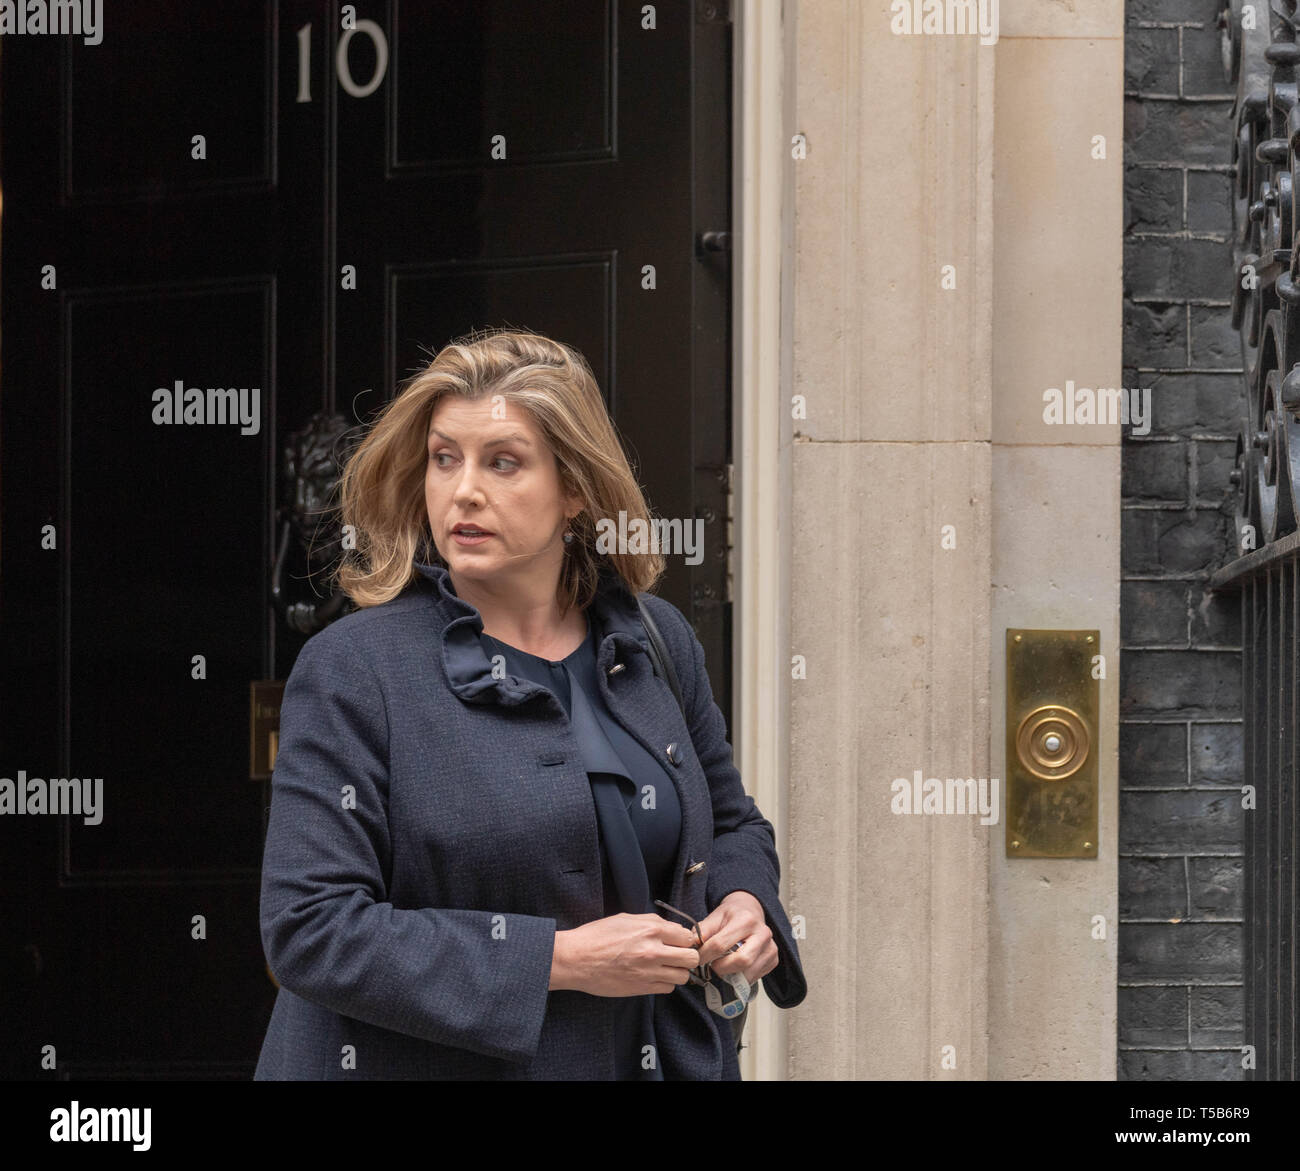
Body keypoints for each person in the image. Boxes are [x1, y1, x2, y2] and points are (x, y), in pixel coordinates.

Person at [254, 327, 807, 1080]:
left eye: (503, 462)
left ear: (575, 489)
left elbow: (731, 820)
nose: (464, 490)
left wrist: (747, 901)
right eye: (444, 458)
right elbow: (310, 930)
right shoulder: (356, 670)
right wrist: (559, 958)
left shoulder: (653, 637)